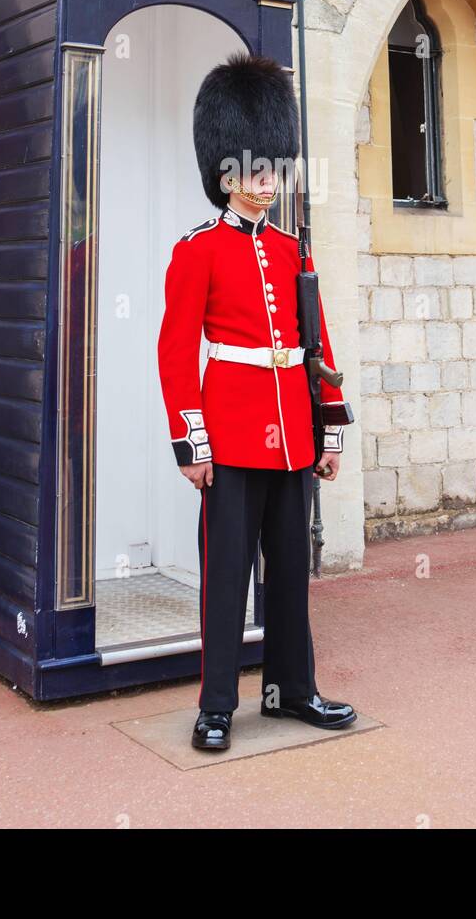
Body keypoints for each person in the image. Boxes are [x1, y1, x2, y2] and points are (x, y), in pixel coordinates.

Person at [157, 51, 357, 751]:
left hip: (293, 436)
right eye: (255, 170)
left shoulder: (290, 250)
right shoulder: (197, 251)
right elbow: (176, 352)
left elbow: (318, 351)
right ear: (225, 172)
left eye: (275, 169)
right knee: (225, 577)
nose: (267, 183)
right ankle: (216, 706)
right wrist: (192, 441)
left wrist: (328, 432)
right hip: (234, 437)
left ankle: (290, 690)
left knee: (292, 574)